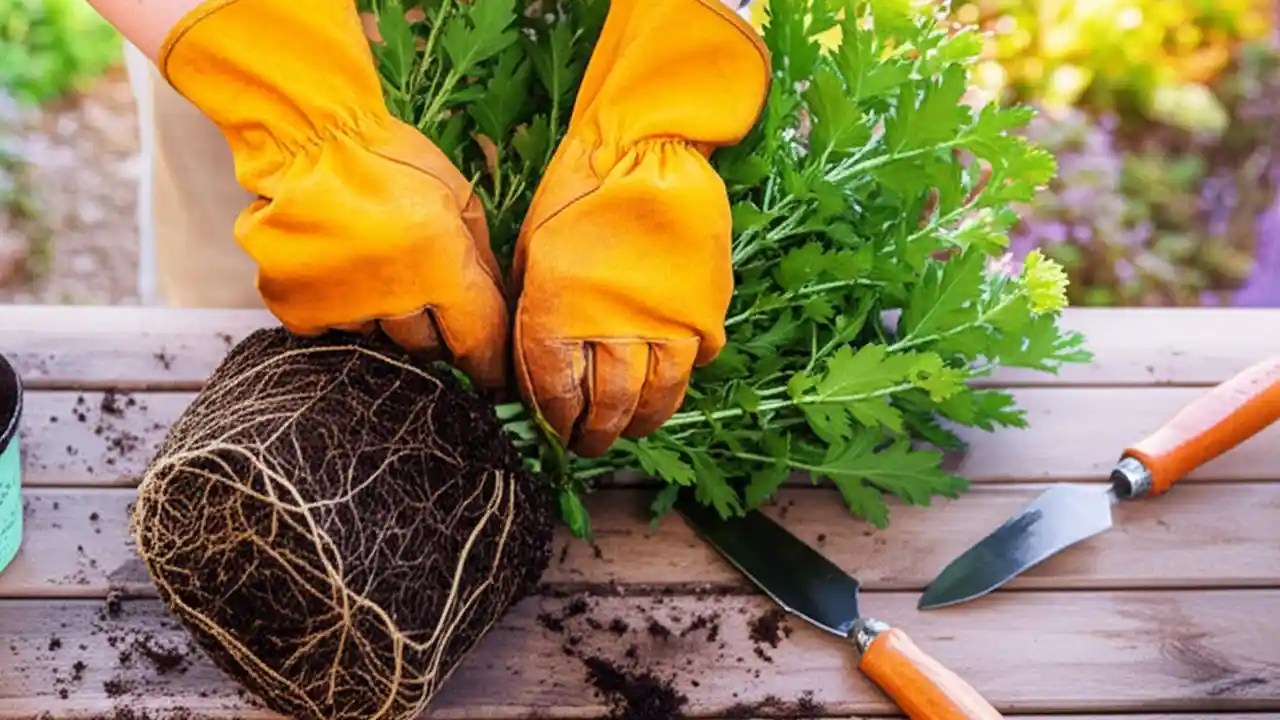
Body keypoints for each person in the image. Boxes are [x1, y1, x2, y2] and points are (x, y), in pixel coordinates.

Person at [91, 0, 770, 457]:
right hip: (236, 25)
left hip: (592, 39)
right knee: (251, 370)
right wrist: (288, 111)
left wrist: (659, 100)